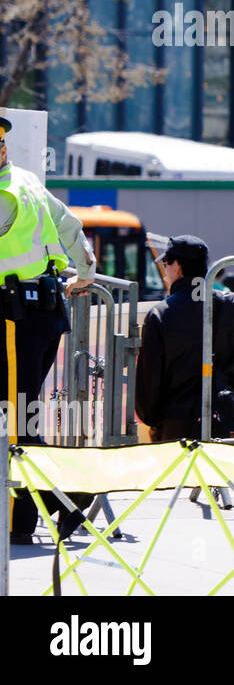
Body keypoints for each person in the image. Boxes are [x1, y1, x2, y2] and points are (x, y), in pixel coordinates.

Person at [0, 115, 97, 545]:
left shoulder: (5, 193)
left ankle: (70, 495)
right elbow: (71, 228)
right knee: (18, 415)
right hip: (35, 313)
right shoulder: (25, 182)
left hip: (15, 317)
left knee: (17, 421)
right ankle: (23, 518)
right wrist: (88, 273)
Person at [135, 236, 234, 440]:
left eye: (165, 263)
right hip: (232, 429)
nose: (164, 271)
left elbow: (149, 385)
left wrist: (158, 421)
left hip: (177, 431)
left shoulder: (160, 314)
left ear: (177, 266)